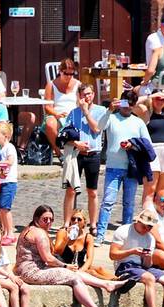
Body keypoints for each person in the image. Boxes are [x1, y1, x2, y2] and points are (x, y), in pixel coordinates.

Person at [15, 204, 119, 307]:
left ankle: (106, 284)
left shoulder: (29, 229)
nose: (49, 222)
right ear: (36, 218)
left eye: (51, 219)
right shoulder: (40, 234)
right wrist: (65, 265)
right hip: (32, 272)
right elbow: (49, 257)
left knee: (77, 272)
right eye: (45, 219)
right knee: (74, 278)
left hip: (28, 269)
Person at [95, 96, 150, 241]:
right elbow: (99, 127)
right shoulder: (112, 118)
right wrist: (109, 110)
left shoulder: (138, 122)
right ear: (119, 103)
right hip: (113, 167)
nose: (128, 107)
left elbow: (147, 143)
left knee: (129, 204)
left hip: (131, 168)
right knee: (108, 201)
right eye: (125, 103)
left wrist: (133, 145)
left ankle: (126, 236)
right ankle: (100, 235)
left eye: (131, 104)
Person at [61, 84, 104, 230]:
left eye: (90, 93)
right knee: (71, 190)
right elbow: (64, 135)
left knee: (92, 191)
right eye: (84, 94)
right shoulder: (73, 113)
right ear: (79, 96)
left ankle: (93, 224)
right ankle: (67, 223)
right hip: (77, 154)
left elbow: (97, 129)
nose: (88, 97)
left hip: (93, 154)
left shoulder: (100, 110)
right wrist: (76, 143)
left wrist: (86, 112)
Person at [0, 121, 18, 244]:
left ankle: (10, 233)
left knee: (5, 208)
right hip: (2, 181)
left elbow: (10, 161)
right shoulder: (0, 149)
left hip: (9, 182)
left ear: (6, 136)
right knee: (0, 208)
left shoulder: (10, 147)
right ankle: (5, 230)